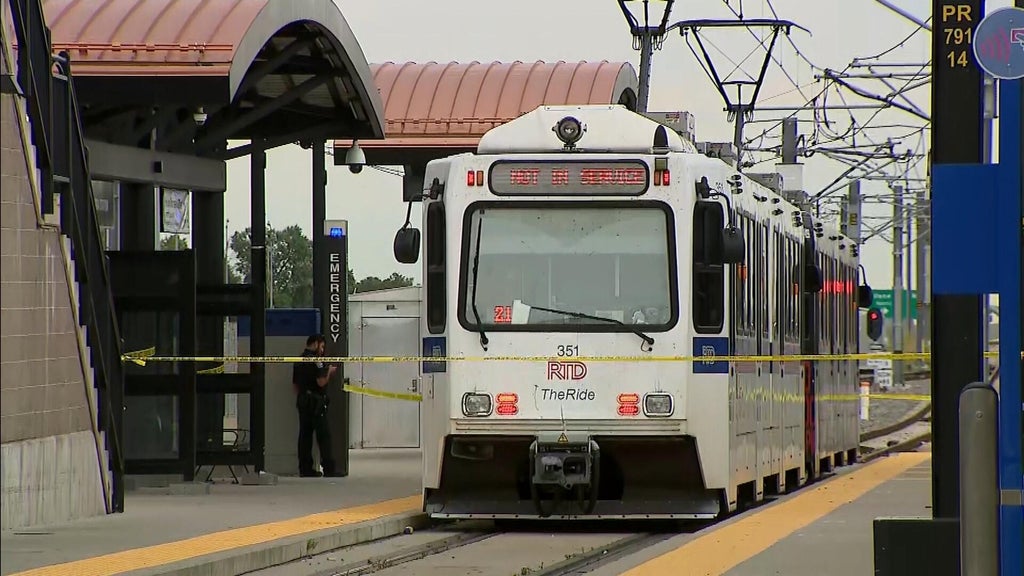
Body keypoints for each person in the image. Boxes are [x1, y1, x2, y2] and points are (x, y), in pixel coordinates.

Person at [293, 334, 337, 477]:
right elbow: (321, 382)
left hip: (303, 401)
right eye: (322, 346)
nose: (323, 350)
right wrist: (329, 372)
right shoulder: (316, 360)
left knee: (305, 436)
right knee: (324, 436)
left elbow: (295, 385)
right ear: (316, 344)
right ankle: (329, 469)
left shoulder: (299, 359)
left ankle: (305, 469)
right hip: (315, 403)